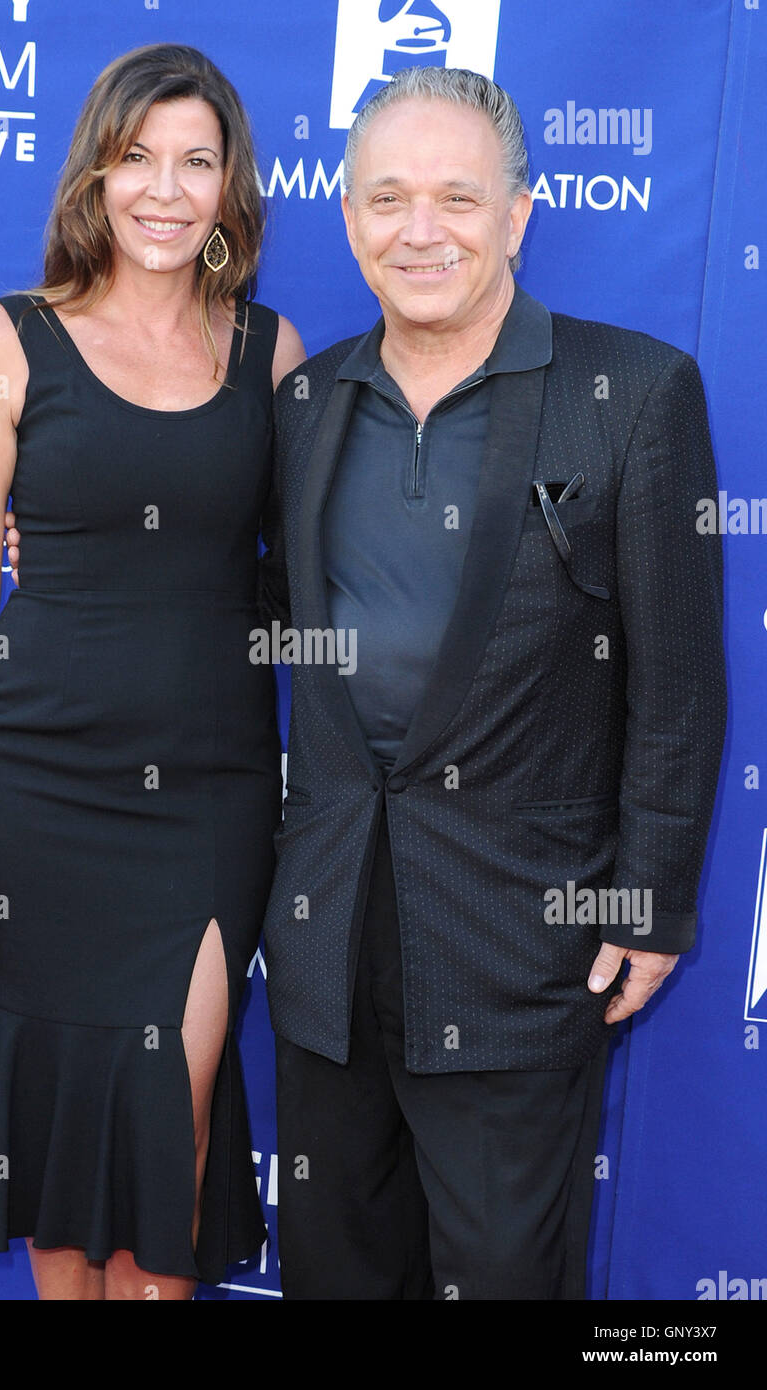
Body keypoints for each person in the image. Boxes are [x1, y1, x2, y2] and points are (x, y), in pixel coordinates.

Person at [258, 67, 726, 1299]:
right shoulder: (306, 403)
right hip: (326, 946)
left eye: (457, 198)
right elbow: (243, 612)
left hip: (521, 946)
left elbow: (676, 678)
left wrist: (650, 901)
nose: (421, 231)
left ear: (518, 213)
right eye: (387, 199)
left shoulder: (634, 398)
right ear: (347, 216)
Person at [0, 42, 304, 1301]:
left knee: (165, 1118)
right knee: (58, 1135)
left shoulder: (271, 355)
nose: (164, 190)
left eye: (197, 161)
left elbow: (302, 580)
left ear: (232, 186)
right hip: (36, 787)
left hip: (206, 793)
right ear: (96, 172)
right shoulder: (7, 341)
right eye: (138, 157)